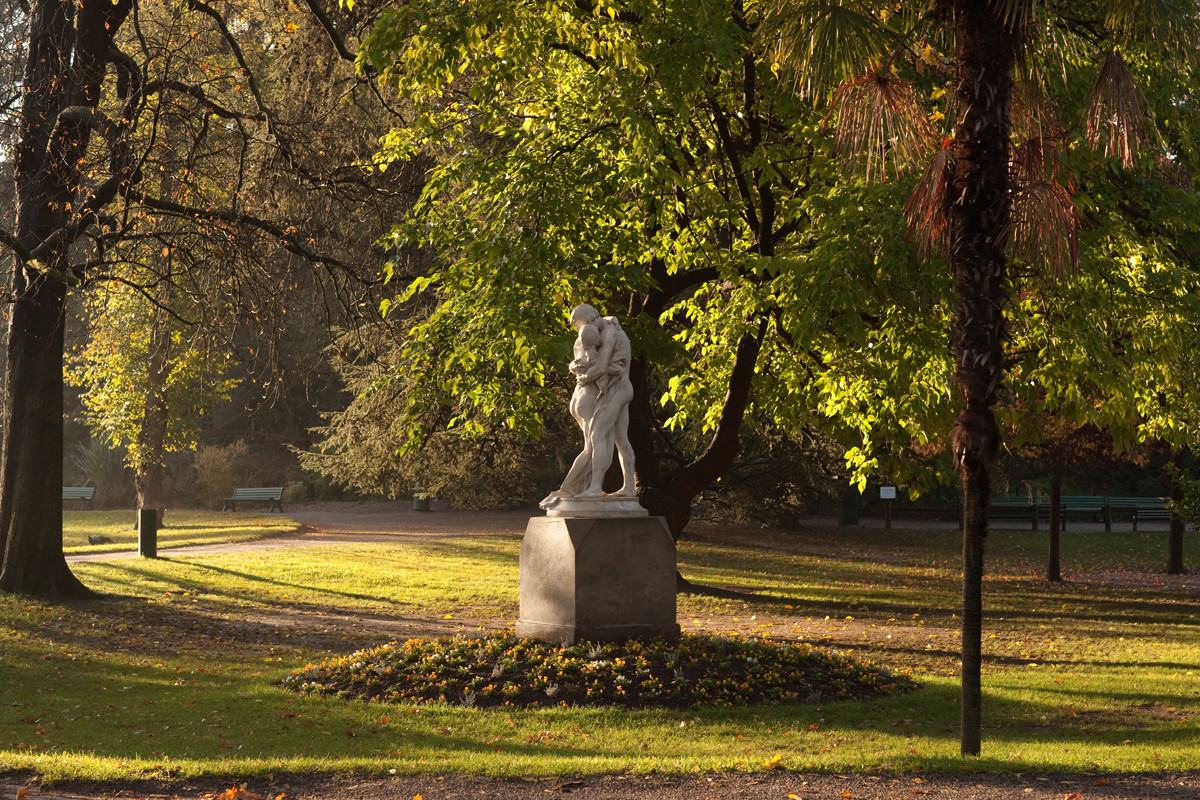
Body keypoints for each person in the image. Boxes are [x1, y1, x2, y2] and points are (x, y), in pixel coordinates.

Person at [540, 304, 635, 507]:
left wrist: (583, 376)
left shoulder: (609, 332)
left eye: (582, 326)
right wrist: (575, 366)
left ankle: (594, 487)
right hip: (618, 388)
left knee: (598, 436)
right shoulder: (603, 328)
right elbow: (593, 361)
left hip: (617, 390)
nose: (582, 332)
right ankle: (629, 487)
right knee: (620, 438)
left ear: (591, 319)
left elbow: (601, 367)